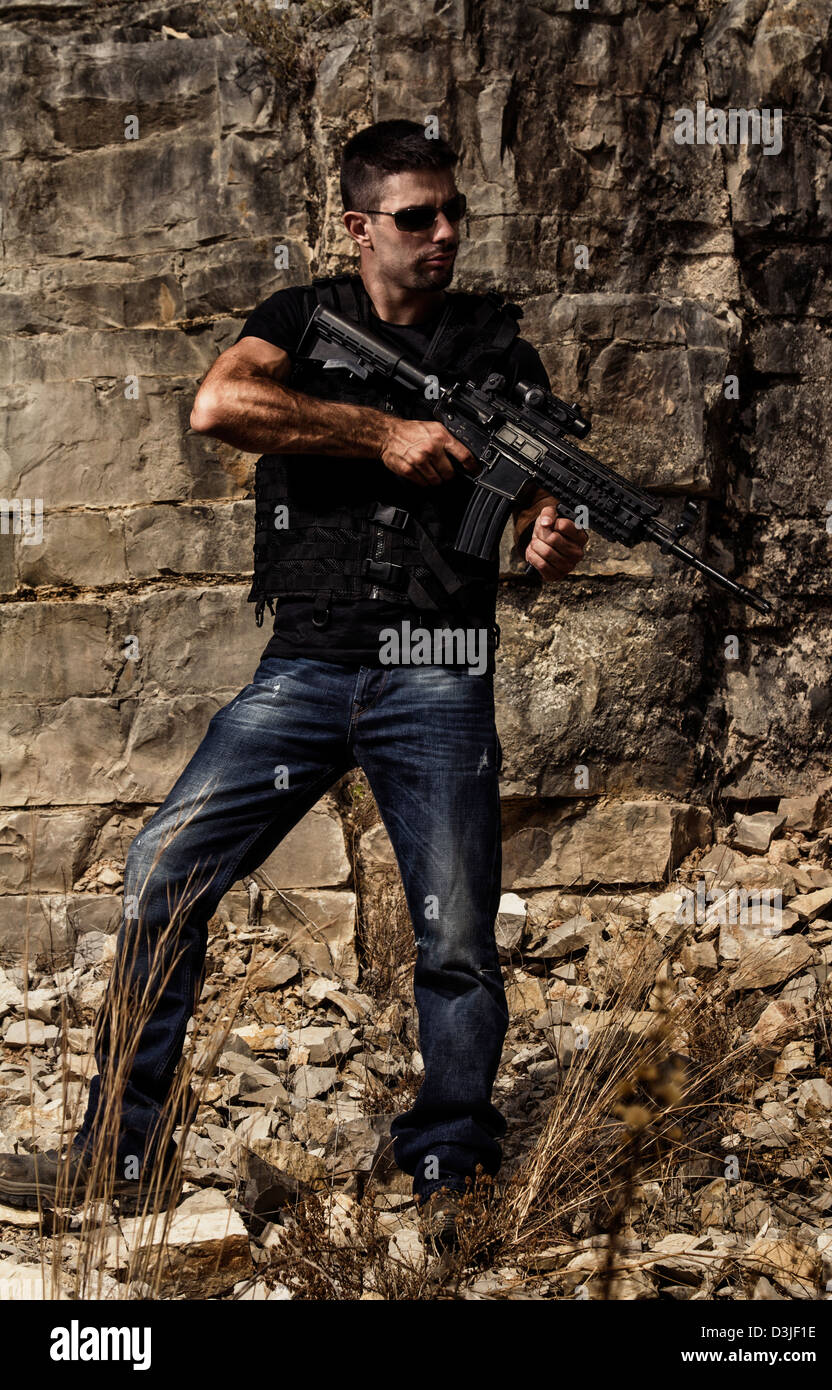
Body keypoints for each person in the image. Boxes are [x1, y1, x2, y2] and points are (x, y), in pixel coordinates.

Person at [0, 120, 586, 1248]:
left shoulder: (494, 349)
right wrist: (379, 432)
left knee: (454, 933)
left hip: (438, 670)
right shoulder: (299, 320)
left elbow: (529, 516)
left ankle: (449, 1168)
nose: (444, 234)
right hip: (305, 668)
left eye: (453, 213)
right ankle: (121, 1156)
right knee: (161, 869)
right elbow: (219, 407)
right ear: (359, 226)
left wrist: (548, 540)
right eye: (416, 217)